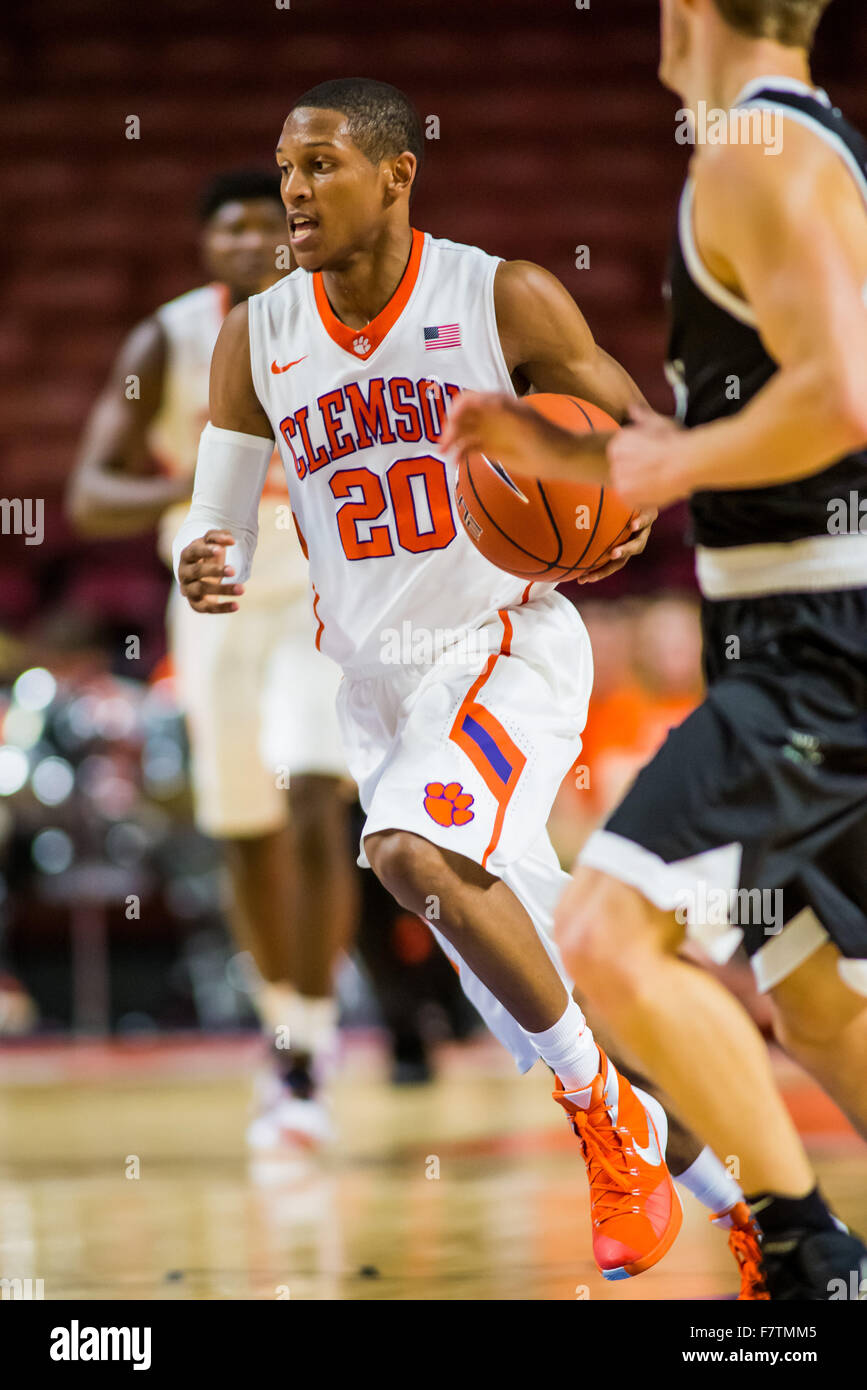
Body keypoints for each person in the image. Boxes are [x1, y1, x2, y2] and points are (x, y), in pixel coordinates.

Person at [173, 78, 759, 1288]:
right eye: (284, 166)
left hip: (502, 647)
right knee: (548, 1000)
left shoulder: (499, 293)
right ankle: (762, 1218)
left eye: (322, 164)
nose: (293, 188)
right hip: (376, 691)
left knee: (404, 852)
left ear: (397, 173)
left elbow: (637, 437)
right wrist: (208, 559)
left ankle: (604, 1133)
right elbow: (215, 522)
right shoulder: (256, 338)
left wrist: (612, 511)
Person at [444, 0, 867, 1299]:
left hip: (817, 637)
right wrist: (579, 462)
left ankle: (805, 1263)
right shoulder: (784, 144)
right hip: (784, 625)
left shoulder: (749, 150)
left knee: (609, 937)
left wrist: (660, 461)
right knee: (809, 997)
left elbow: (841, 390)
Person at [68, 171, 355, 1151]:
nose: (246, 239)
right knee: (247, 832)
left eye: (264, 224)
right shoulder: (170, 340)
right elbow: (90, 495)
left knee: (317, 797)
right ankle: (285, 1032)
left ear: (294, 235)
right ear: (205, 247)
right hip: (218, 604)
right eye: (226, 226)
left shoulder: (347, 322)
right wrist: (202, 477)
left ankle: (314, 1044)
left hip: (321, 599)